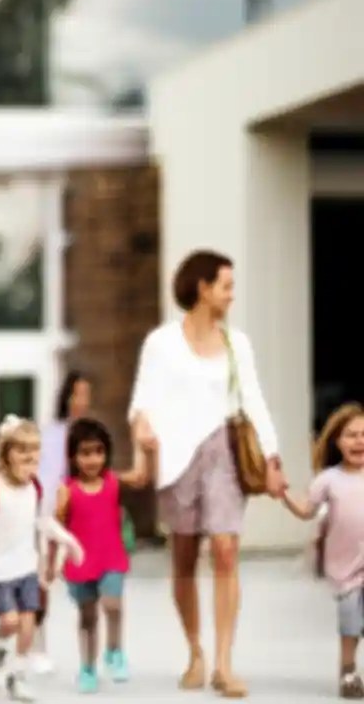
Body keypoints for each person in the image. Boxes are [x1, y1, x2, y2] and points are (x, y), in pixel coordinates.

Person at [127, 249, 286, 698]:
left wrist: (272, 460)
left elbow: (254, 402)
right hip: (177, 458)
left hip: (224, 453)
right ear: (203, 288)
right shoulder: (161, 343)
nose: (231, 295)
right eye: (226, 286)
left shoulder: (239, 344)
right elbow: (143, 402)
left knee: (225, 550)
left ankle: (223, 663)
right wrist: (143, 432)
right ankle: (195, 651)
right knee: (183, 557)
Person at [0, 414, 84, 702]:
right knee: (9, 621)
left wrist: (69, 541)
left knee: (28, 624)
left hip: (25, 566)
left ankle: (17, 676)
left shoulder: (35, 489)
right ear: (6, 456)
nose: (30, 466)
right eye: (22, 457)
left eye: (34, 459)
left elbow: (43, 522)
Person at [47, 417, 150, 693]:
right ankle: (88, 666)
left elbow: (140, 477)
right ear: (73, 456)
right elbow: (55, 527)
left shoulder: (112, 482)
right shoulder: (66, 491)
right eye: (85, 453)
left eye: (98, 452)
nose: (92, 460)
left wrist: (143, 443)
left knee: (113, 604)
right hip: (80, 563)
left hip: (111, 558)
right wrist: (49, 562)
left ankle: (115, 651)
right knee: (88, 616)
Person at [279, 402, 364, 699]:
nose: (359, 441)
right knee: (350, 622)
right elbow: (306, 509)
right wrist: (282, 493)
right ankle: (349, 671)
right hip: (346, 569)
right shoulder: (329, 479)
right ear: (337, 441)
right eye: (351, 435)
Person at [33, 370, 93, 675]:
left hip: (81, 520)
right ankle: (37, 647)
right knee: (43, 582)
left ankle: (91, 655)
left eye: (86, 395)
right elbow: (46, 477)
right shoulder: (52, 433)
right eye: (76, 394)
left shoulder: (90, 437)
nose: (81, 401)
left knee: (88, 586)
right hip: (51, 517)